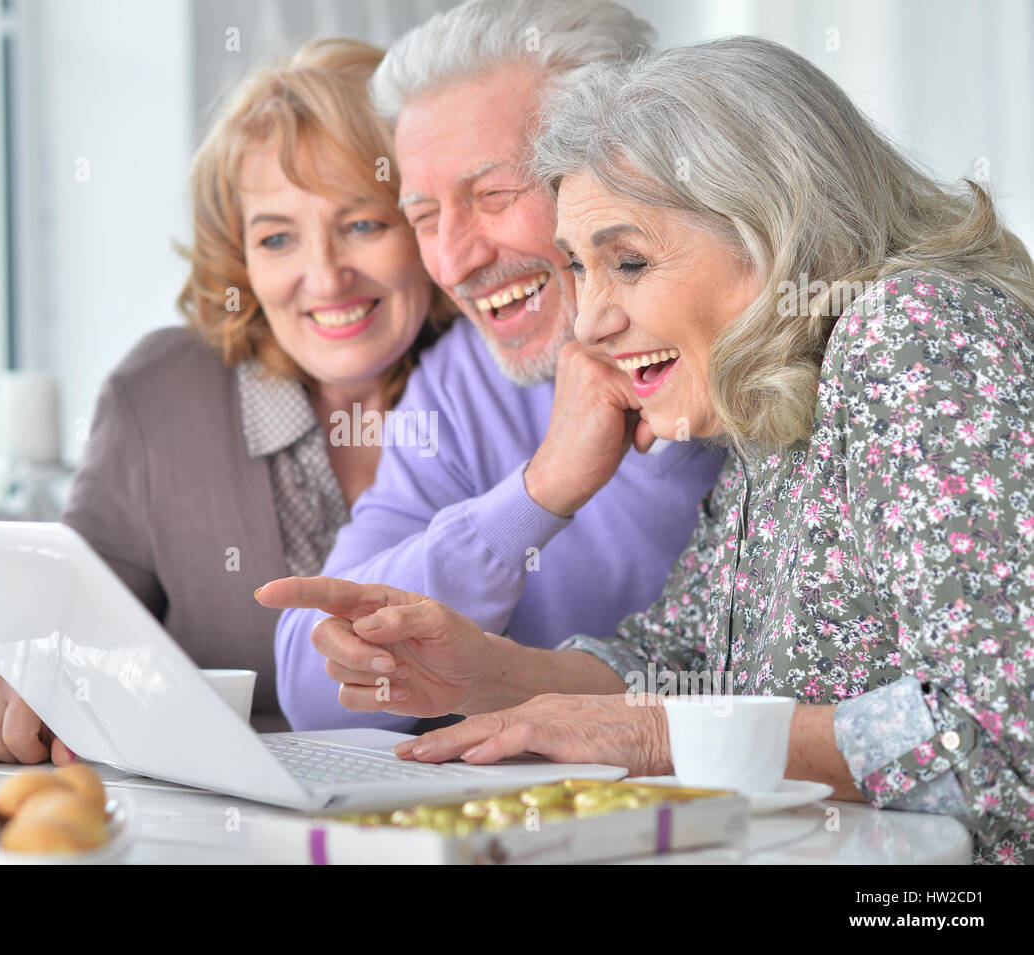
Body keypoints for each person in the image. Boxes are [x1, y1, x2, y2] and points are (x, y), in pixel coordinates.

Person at [258, 36, 1034, 864]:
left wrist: (658, 734)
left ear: (774, 230)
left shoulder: (914, 333)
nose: (588, 322)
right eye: (580, 269)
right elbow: (685, 662)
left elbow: (1003, 729)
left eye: (628, 261)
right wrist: (487, 672)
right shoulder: (764, 398)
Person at [0, 38, 451, 762]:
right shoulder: (160, 397)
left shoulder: (500, 381)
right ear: (240, 258)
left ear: (428, 223)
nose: (325, 276)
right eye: (277, 237)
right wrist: (20, 694)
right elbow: (65, 646)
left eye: (363, 223)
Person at [270, 0, 727, 730]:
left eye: (494, 196)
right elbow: (313, 684)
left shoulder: (782, 351)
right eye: (423, 216)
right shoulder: (459, 385)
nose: (453, 260)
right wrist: (536, 495)